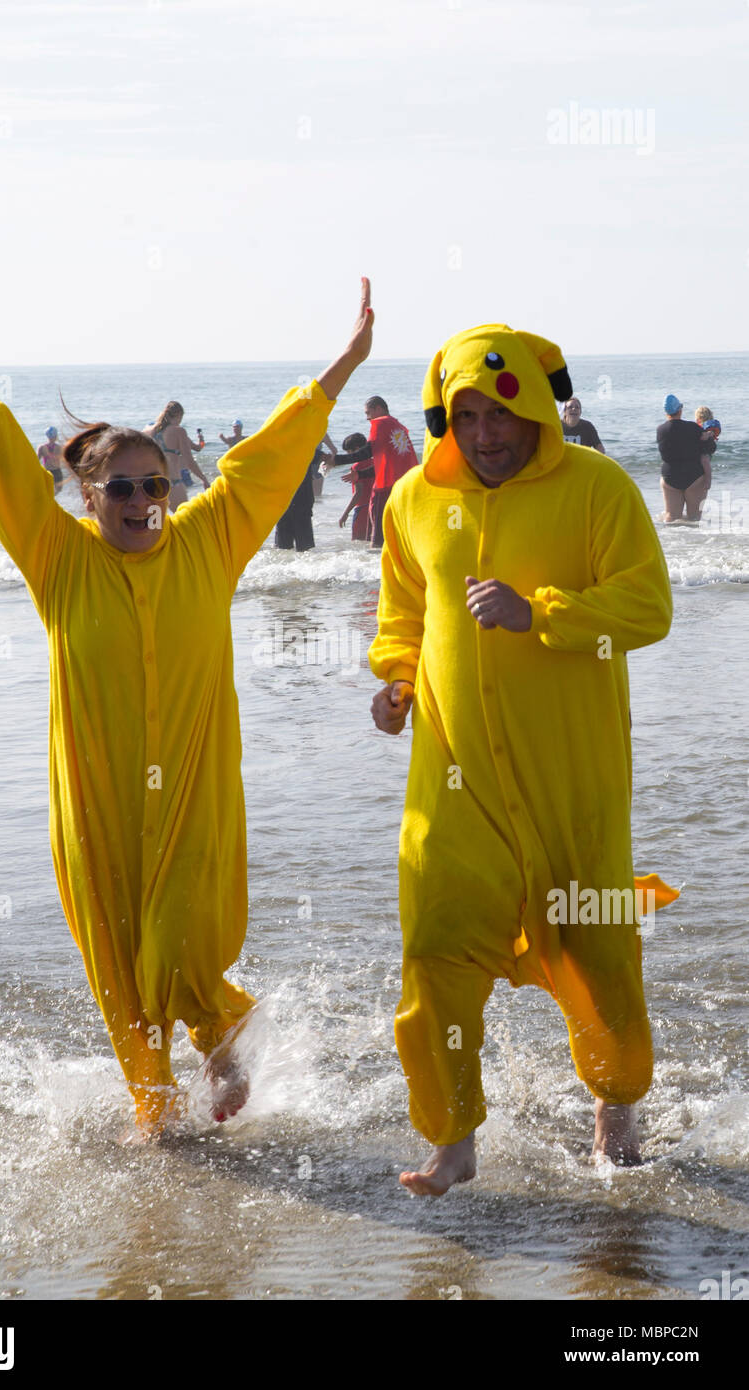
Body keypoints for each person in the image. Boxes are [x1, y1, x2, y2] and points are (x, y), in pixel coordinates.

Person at [0, 278, 374, 1136]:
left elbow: (267, 460)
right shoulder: (58, 560)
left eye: (154, 484)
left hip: (190, 788)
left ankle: (220, 1034)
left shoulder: (210, 539)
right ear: (89, 496)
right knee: (120, 967)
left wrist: (337, 372)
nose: (143, 502)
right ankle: (158, 1125)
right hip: (100, 804)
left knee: (183, 935)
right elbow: (3, 471)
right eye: (122, 489)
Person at [368, 322, 676, 1195]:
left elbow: (649, 607)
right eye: (465, 416)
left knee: (600, 954)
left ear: (534, 406)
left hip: (571, 779)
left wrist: (540, 613)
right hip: (453, 780)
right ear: (445, 420)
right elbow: (402, 618)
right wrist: (394, 684)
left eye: (500, 411)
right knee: (434, 947)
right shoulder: (414, 501)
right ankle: (452, 1138)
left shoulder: (597, 488)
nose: (486, 433)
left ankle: (615, 1109)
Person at [362, 396, 418, 548]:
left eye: (368, 413)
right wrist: (360, 474)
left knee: (379, 538)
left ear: (379, 408)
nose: (368, 418)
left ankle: (376, 568)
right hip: (406, 485)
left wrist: (336, 460)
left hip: (386, 486)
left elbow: (367, 452)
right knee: (400, 533)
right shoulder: (397, 425)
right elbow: (389, 461)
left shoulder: (381, 423)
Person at [143, 402, 209, 513]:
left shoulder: (147, 431)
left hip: (152, 486)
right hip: (172, 485)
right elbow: (189, 461)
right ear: (179, 415)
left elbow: (197, 447)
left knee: (156, 526)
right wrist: (204, 479)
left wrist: (201, 440)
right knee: (185, 522)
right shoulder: (179, 431)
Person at [656, 394, 710, 522]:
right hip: (694, 476)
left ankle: (670, 540)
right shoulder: (692, 427)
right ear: (680, 410)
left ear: (666, 412)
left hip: (670, 476)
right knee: (694, 517)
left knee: (671, 517)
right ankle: (693, 541)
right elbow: (709, 448)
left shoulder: (661, 430)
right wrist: (708, 436)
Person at [275, 446, 319, 550]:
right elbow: (325, 458)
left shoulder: (275, 450)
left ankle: (286, 566)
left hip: (282, 503)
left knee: (283, 548)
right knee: (305, 548)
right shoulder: (305, 449)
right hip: (301, 503)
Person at [333, 431, 374, 539]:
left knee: (358, 541)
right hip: (375, 506)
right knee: (374, 540)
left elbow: (358, 492)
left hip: (362, 509)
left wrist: (346, 513)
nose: (348, 456)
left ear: (356, 449)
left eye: (349, 452)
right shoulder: (375, 462)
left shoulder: (356, 467)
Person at [37, 427, 65, 493]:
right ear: (55, 436)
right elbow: (62, 458)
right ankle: (52, 500)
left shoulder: (42, 447)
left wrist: (48, 455)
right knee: (55, 491)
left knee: (52, 491)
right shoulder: (58, 447)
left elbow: (36, 460)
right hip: (54, 471)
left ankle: (51, 500)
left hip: (49, 471)